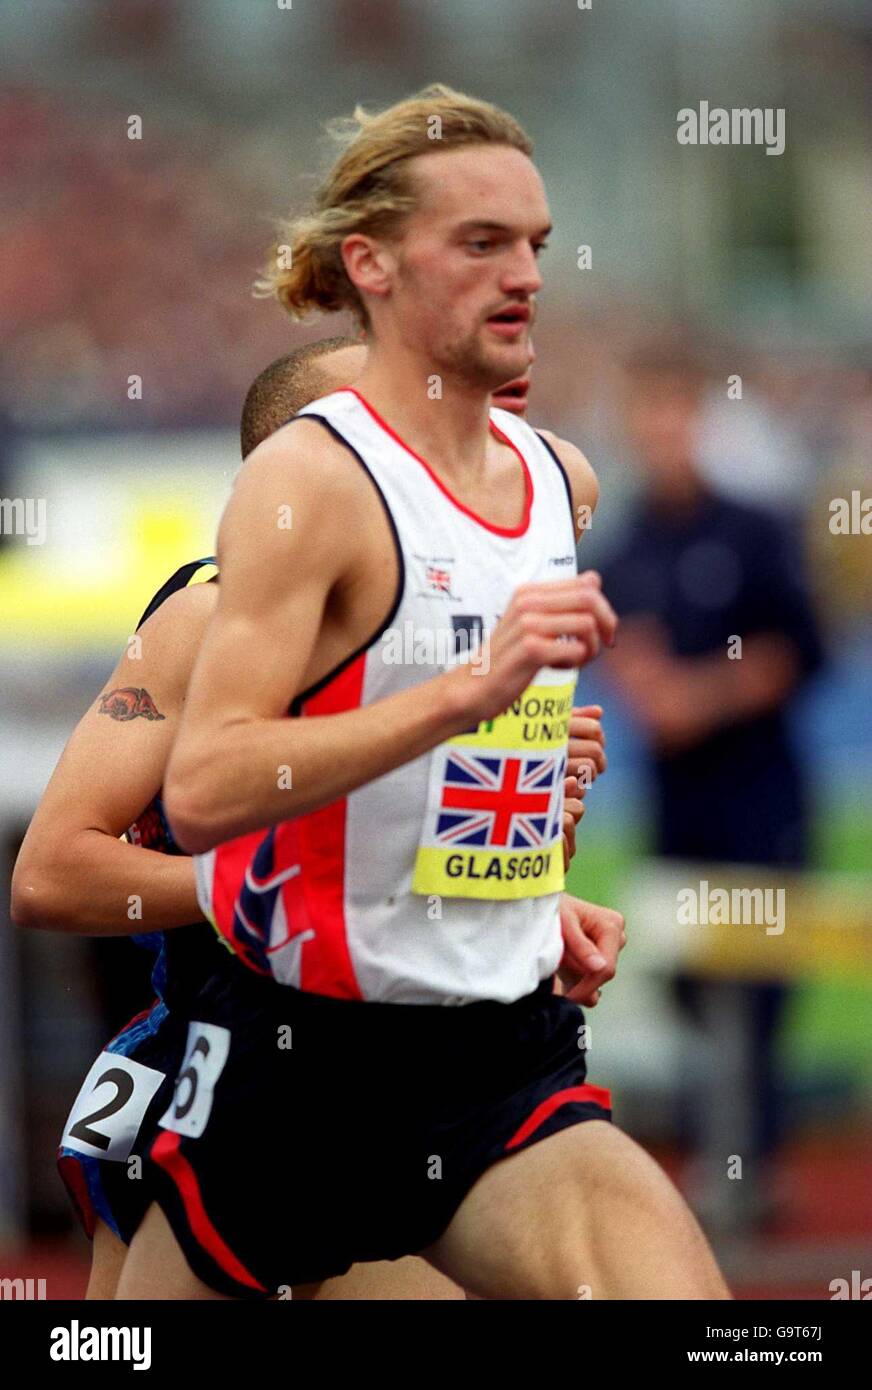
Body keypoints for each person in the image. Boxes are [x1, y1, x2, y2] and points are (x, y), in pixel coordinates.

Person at [117, 85, 728, 1300]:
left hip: (500, 1056)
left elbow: (469, 785)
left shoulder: (559, 479)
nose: (525, 276)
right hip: (300, 1070)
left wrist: (532, 886)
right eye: (481, 243)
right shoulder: (313, 483)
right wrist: (463, 692)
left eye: (537, 246)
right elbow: (206, 780)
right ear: (374, 264)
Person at [11, 336, 616, 1300]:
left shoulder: (466, 613)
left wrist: (544, 904)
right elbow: (51, 876)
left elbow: (421, 870)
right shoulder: (206, 622)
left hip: (433, 1075)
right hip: (242, 1070)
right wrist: (258, 895)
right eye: (383, 419)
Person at [601, 339, 825, 1227]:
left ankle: (749, 1169)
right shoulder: (625, 545)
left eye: (674, 412)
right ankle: (719, 1154)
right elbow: (627, 650)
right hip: (677, 802)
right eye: (646, 414)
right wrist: (651, 689)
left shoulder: (756, 530)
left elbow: (802, 650)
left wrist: (705, 694)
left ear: (698, 418)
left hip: (761, 799)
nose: (661, 431)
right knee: (686, 982)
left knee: (763, 988)